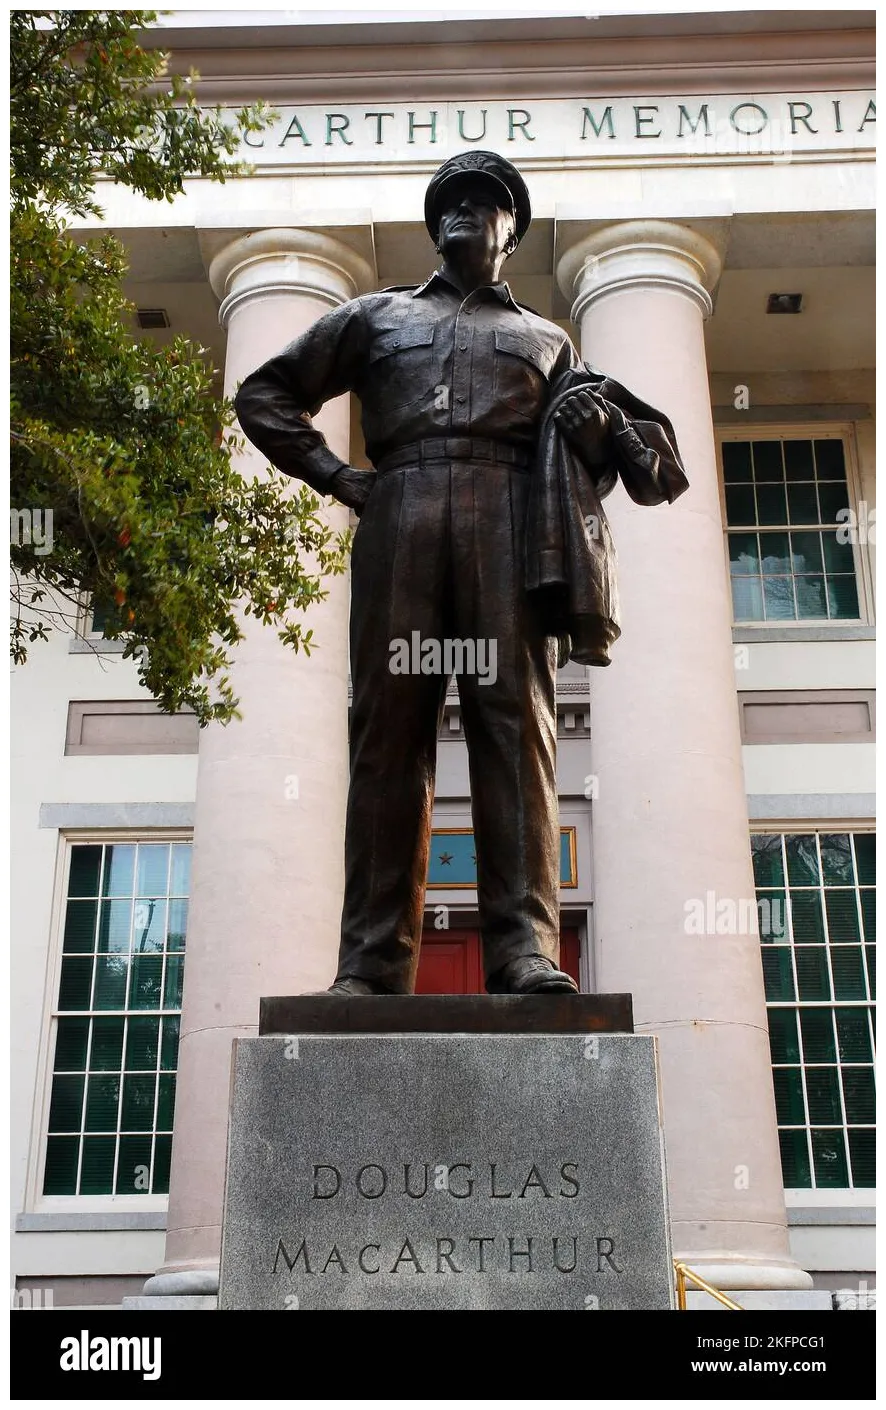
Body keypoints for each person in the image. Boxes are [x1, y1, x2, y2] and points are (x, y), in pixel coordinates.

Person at [234, 152, 631, 996]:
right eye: (450, 200)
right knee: (388, 732)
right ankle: (371, 964)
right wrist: (337, 476)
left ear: (510, 232)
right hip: (402, 514)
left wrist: (597, 428)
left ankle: (523, 952)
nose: (463, 210)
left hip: (511, 521)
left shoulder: (548, 339)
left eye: (484, 201)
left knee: (516, 730)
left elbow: (590, 462)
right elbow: (265, 394)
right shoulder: (374, 316)